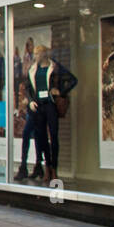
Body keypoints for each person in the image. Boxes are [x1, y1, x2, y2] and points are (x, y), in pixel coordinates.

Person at [25, 44, 77, 184]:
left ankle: (54, 168)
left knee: (53, 136)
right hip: (38, 106)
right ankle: (47, 166)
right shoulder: (32, 69)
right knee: (41, 138)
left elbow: (72, 80)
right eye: (35, 54)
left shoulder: (55, 67)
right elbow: (28, 88)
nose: (36, 56)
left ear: (44, 54)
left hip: (50, 105)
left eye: (38, 53)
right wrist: (30, 101)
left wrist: (61, 91)